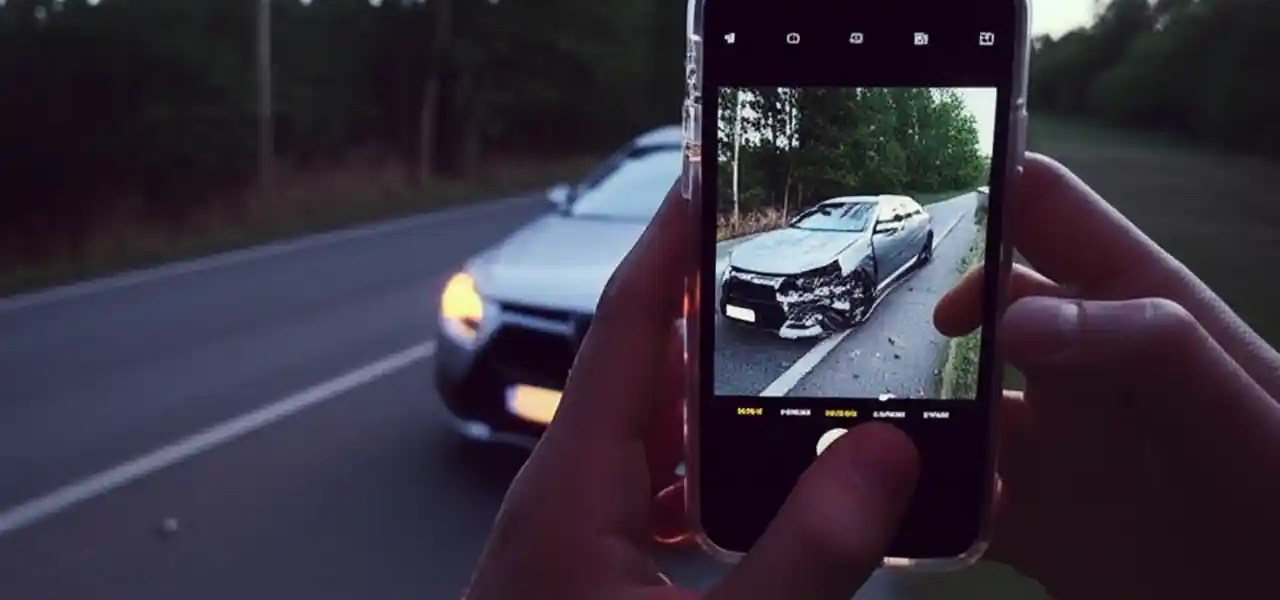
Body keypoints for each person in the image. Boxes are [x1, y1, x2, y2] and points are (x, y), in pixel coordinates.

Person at [462, 153, 1280, 600]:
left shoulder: (898, 223)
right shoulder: (806, 230)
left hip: (846, 270)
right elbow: (757, 265)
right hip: (784, 279)